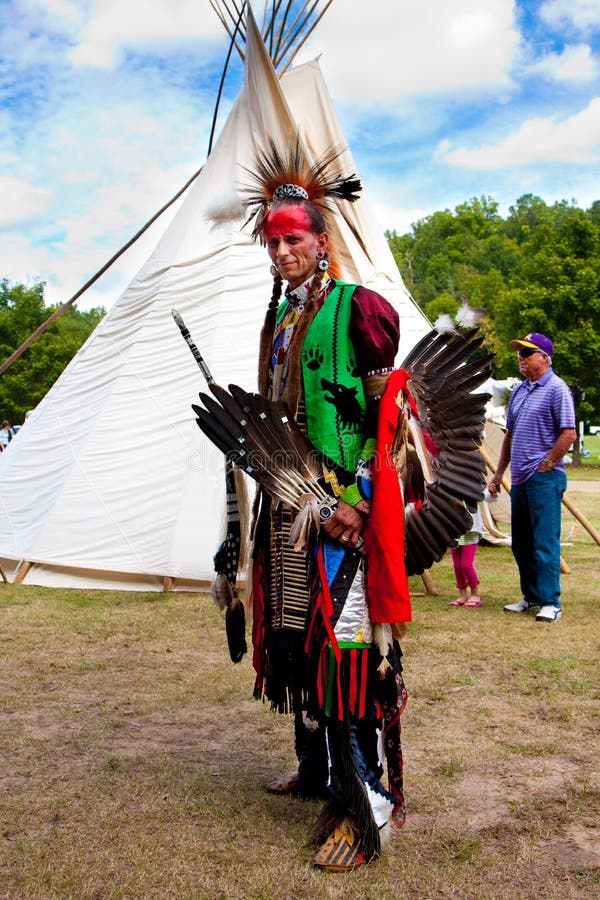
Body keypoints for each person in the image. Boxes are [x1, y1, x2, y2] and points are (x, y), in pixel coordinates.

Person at [244, 145, 411, 871]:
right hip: (285, 513)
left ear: (321, 240)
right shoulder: (278, 322)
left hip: (342, 515)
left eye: (295, 238)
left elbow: (393, 423)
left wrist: (362, 500)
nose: (283, 251)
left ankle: (365, 799)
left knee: (345, 659)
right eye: (274, 241)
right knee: (292, 647)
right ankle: (316, 770)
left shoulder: (360, 311)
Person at [488, 333, 576, 623]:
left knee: (545, 542)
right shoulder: (521, 392)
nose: (521, 358)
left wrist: (548, 463)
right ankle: (532, 596)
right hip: (521, 479)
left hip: (545, 478)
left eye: (527, 353)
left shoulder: (557, 389)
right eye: (519, 353)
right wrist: (499, 473)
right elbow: (509, 436)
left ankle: (551, 601)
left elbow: (569, 433)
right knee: (521, 542)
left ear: (544, 358)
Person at [449, 503, 484, 608]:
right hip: (455, 531)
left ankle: (475, 594)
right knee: (457, 567)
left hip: (471, 532)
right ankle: (463, 595)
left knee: (466, 565)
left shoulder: (473, 487)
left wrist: (492, 492)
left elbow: (484, 495)